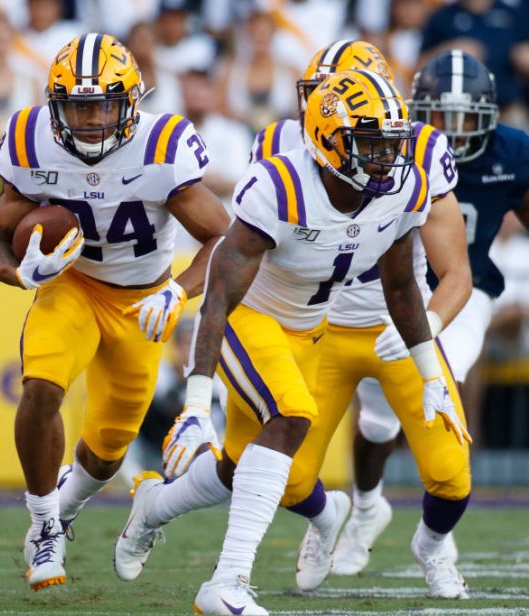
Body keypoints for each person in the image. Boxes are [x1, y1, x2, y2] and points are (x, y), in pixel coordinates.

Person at [114, 68, 454, 615]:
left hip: (311, 328)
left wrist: (430, 372)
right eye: (370, 143)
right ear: (327, 139)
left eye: (392, 142)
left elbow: (401, 287)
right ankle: (227, 582)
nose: (385, 156)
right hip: (251, 318)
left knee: (237, 467)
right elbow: (219, 295)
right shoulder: (280, 186)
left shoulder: (403, 187)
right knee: (291, 415)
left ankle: (152, 507)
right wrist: (197, 402)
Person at [0, 32, 229, 591]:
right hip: (73, 285)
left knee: (108, 450)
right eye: (78, 106)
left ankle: (65, 506)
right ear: (55, 106)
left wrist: (177, 291)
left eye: (104, 105)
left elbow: (223, 239)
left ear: (132, 102)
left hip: (142, 298)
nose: (92, 120)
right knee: (41, 386)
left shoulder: (162, 146)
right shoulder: (30, 142)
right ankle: (45, 524)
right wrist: (21, 274)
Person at [335, 50, 529, 580]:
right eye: (441, 115)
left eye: (466, 117)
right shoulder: (395, 145)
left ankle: (437, 531)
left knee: (441, 377)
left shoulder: (513, 152)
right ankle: (366, 508)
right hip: (390, 291)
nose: (453, 129)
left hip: (465, 291)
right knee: (377, 421)